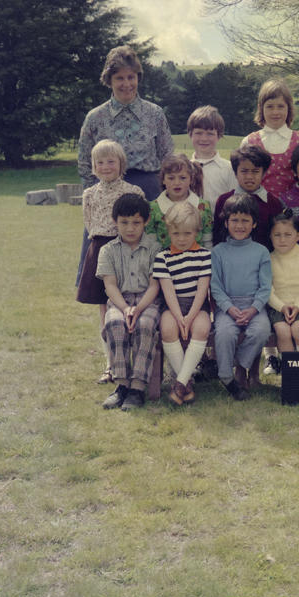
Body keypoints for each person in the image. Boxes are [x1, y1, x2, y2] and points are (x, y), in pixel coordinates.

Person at [76, 45, 173, 288]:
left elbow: (167, 157)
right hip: (107, 194)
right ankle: (109, 320)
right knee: (107, 261)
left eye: (131, 77)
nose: (126, 83)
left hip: (148, 192)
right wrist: (98, 196)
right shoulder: (95, 118)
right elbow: (85, 162)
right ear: (109, 80)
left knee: (149, 261)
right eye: (119, 78)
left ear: (138, 77)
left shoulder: (155, 114)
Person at [76, 140, 145, 384]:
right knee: (105, 311)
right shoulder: (89, 194)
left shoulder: (133, 192)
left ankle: (135, 359)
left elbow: (139, 223)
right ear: (93, 167)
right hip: (99, 251)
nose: (105, 167)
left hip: (126, 251)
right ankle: (111, 363)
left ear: (121, 164)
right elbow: (89, 224)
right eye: (100, 163)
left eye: (111, 162)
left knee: (128, 304)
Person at [97, 193, 163, 411]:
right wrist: (125, 309)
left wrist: (138, 308)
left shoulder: (155, 248)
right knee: (115, 324)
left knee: (145, 325)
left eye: (136, 222)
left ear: (145, 222)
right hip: (120, 300)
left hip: (148, 300)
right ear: (115, 222)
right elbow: (110, 285)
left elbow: (155, 285)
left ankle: (137, 387)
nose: (130, 228)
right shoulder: (108, 250)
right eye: (124, 222)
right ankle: (121, 384)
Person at [210, 194, 272, 400]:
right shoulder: (218, 252)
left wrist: (254, 308)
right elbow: (215, 287)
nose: (239, 225)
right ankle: (226, 376)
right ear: (226, 222)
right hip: (227, 306)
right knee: (225, 333)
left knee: (261, 330)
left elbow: (265, 287)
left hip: (254, 306)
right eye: (234, 220)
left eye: (245, 220)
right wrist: (228, 308)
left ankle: (241, 366)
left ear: (254, 224)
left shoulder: (261, 252)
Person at [152, 202, 212, 406]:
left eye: (187, 233)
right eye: (176, 233)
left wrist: (190, 317)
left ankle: (179, 384)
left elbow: (202, 290)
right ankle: (186, 382)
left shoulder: (204, 256)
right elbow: (168, 291)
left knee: (202, 329)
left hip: (198, 305)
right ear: (169, 231)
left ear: (196, 232)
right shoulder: (163, 258)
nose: (182, 239)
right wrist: (179, 317)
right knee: (168, 328)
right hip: (173, 306)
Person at [241, 78, 299, 198]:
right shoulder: (249, 142)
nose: (275, 112)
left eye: (280, 106)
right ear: (261, 108)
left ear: (289, 108)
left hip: (293, 211)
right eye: (270, 107)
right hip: (258, 210)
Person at [267, 210, 299, 361]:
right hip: (278, 307)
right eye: (277, 235)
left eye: (288, 235)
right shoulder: (268, 259)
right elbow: (267, 290)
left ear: (298, 236)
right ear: (270, 236)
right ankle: (291, 375)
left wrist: (297, 305)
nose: (282, 239)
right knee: (282, 332)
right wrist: (281, 306)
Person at [212, 145, 283, 250]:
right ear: (236, 173)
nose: (249, 176)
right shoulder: (224, 200)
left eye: (255, 171)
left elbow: (276, 237)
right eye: (244, 171)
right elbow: (218, 236)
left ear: (263, 174)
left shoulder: (273, 203)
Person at [146, 153, 213, 250]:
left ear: (191, 179)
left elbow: (207, 243)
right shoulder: (152, 209)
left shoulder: (203, 207)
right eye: (171, 178)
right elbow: (151, 244)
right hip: (165, 263)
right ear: (163, 180)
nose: (177, 183)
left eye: (182, 178)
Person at [187, 105, 239, 208]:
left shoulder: (229, 169)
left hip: (219, 222)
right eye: (199, 133)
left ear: (219, 136)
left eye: (210, 134)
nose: (204, 138)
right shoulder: (184, 168)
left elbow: (235, 201)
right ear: (190, 134)